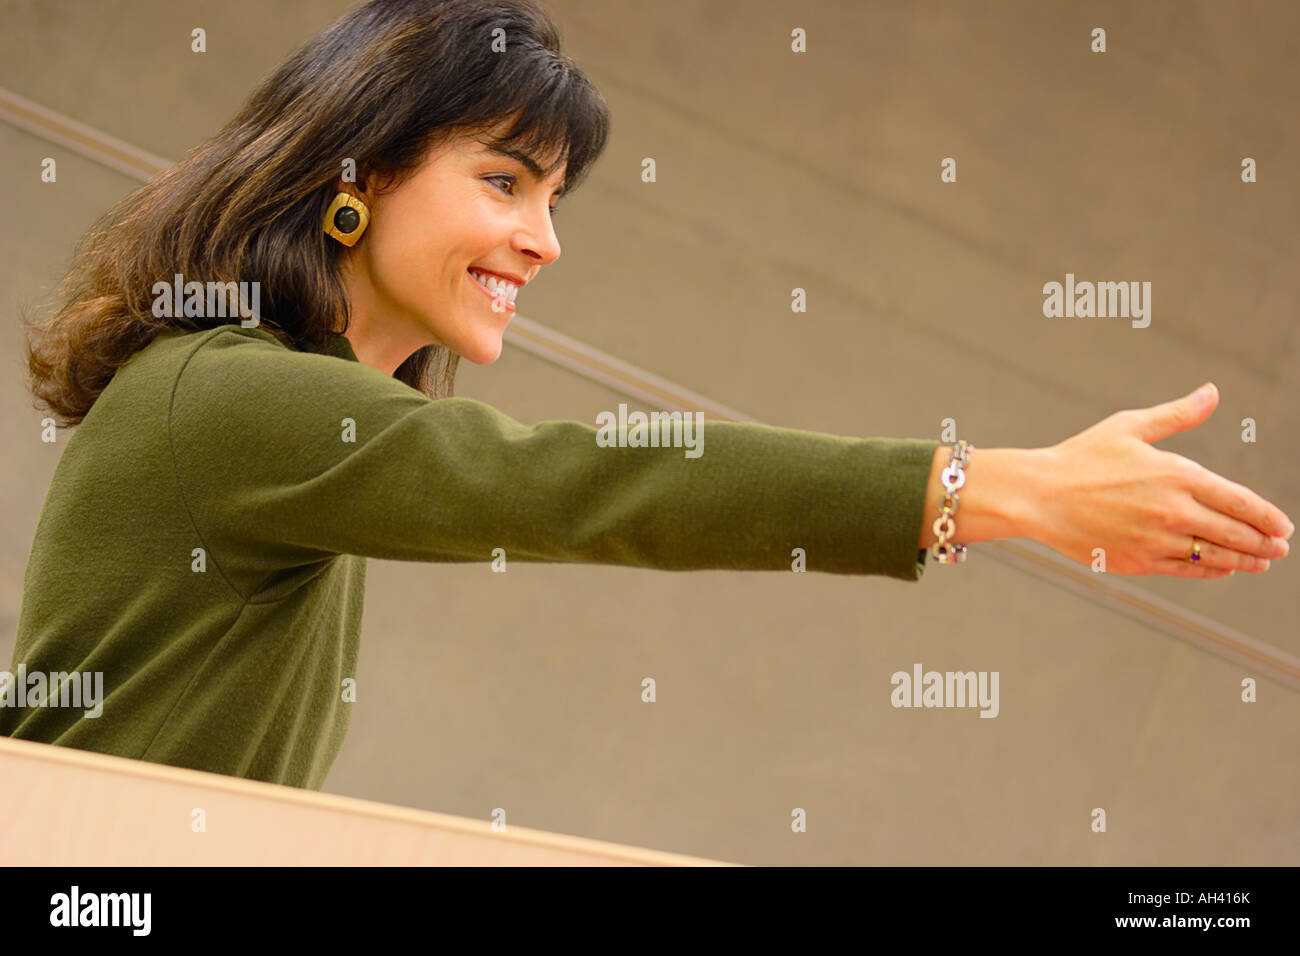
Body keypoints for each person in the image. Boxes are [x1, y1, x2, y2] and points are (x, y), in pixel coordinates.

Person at [3, 0, 1291, 790]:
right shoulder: (228, 398)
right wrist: (1006, 486)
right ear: (357, 173)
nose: (544, 240)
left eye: (555, 199)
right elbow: (588, 481)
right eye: (506, 182)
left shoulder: (278, 418)